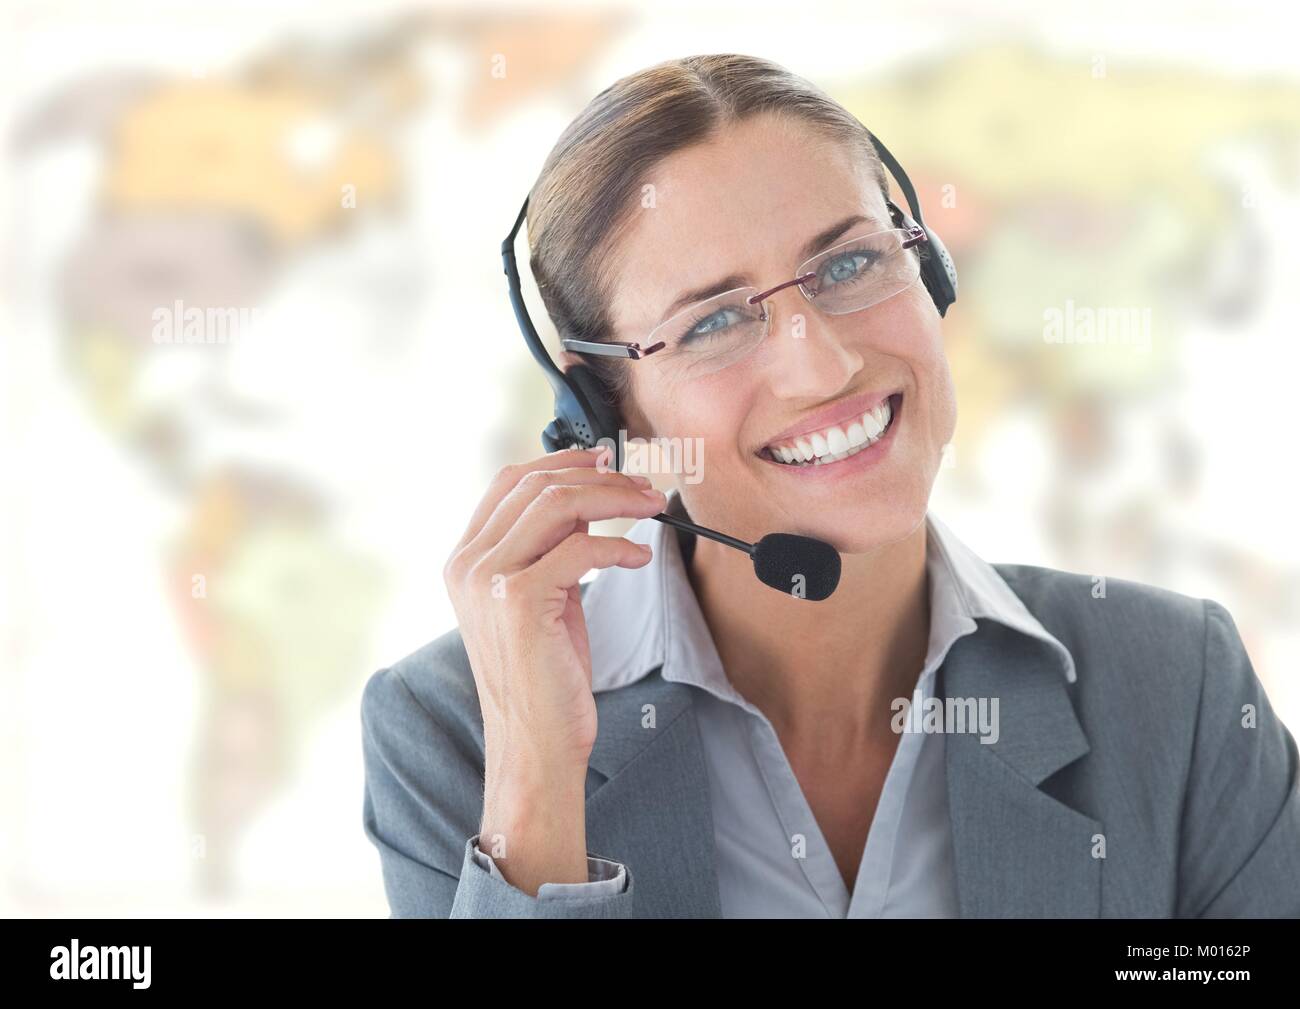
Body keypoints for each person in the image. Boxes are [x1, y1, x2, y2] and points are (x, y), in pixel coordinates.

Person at [360, 53, 1300, 917]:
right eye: (712, 321)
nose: (824, 365)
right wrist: (535, 783)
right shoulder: (459, 733)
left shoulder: (1180, 689)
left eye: (849, 263)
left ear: (928, 267)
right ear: (607, 407)